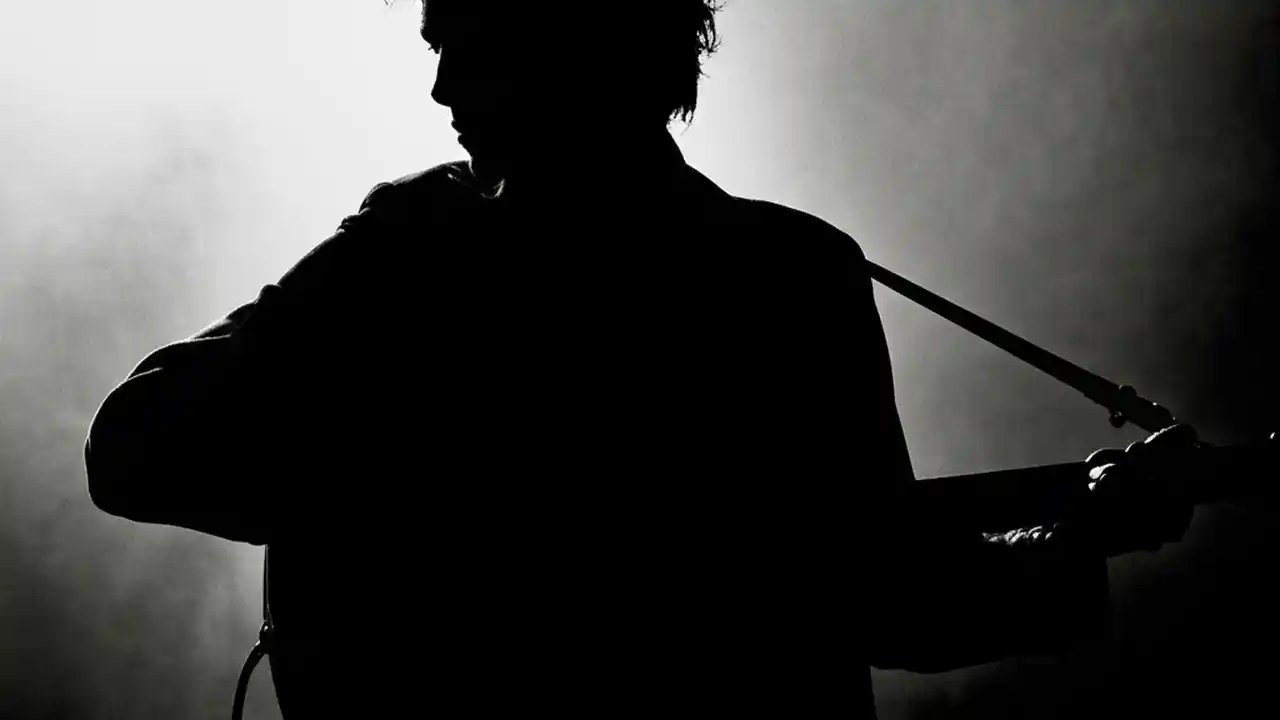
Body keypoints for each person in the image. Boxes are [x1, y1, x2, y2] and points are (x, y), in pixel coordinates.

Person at [84, 2, 1195, 716]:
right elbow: (897, 600)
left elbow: (133, 446)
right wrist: (1088, 533)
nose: (439, 92)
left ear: (567, 48)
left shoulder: (411, 249)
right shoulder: (783, 274)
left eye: (465, 46)